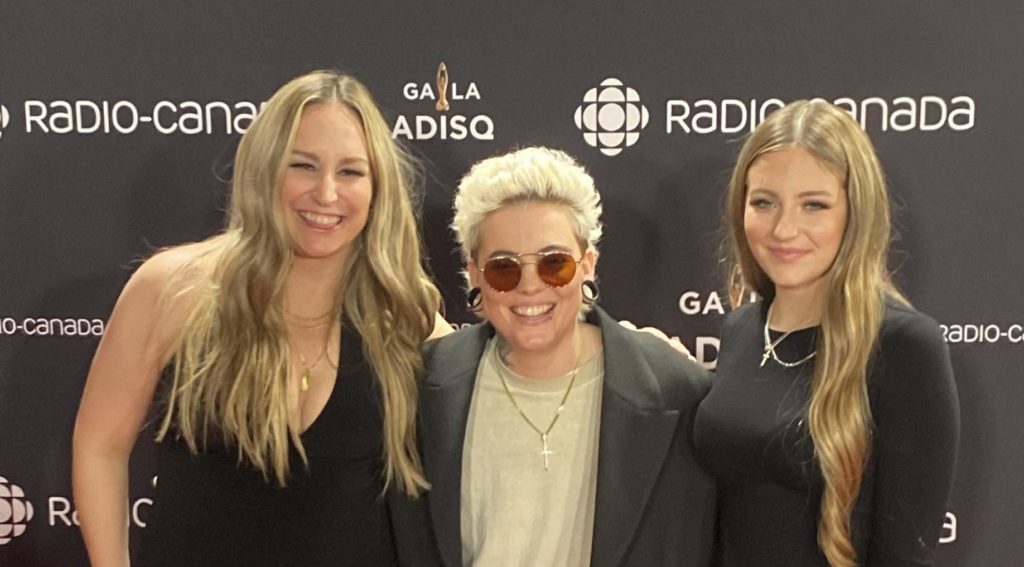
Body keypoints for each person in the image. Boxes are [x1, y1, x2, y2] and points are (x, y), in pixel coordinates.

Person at [72, 70, 447, 567]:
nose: (327, 194)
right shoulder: (171, 288)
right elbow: (100, 445)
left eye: (351, 172)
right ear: (265, 168)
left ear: (378, 188)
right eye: (304, 166)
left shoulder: (406, 317)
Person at [418, 146, 716, 566]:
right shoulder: (425, 390)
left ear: (587, 265)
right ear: (474, 275)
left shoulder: (674, 389)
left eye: (554, 264)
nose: (530, 287)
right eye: (504, 268)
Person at [694, 100, 959, 566]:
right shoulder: (741, 329)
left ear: (854, 214)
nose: (784, 228)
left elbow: (902, 557)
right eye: (764, 202)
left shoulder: (902, 346)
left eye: (813, 205)